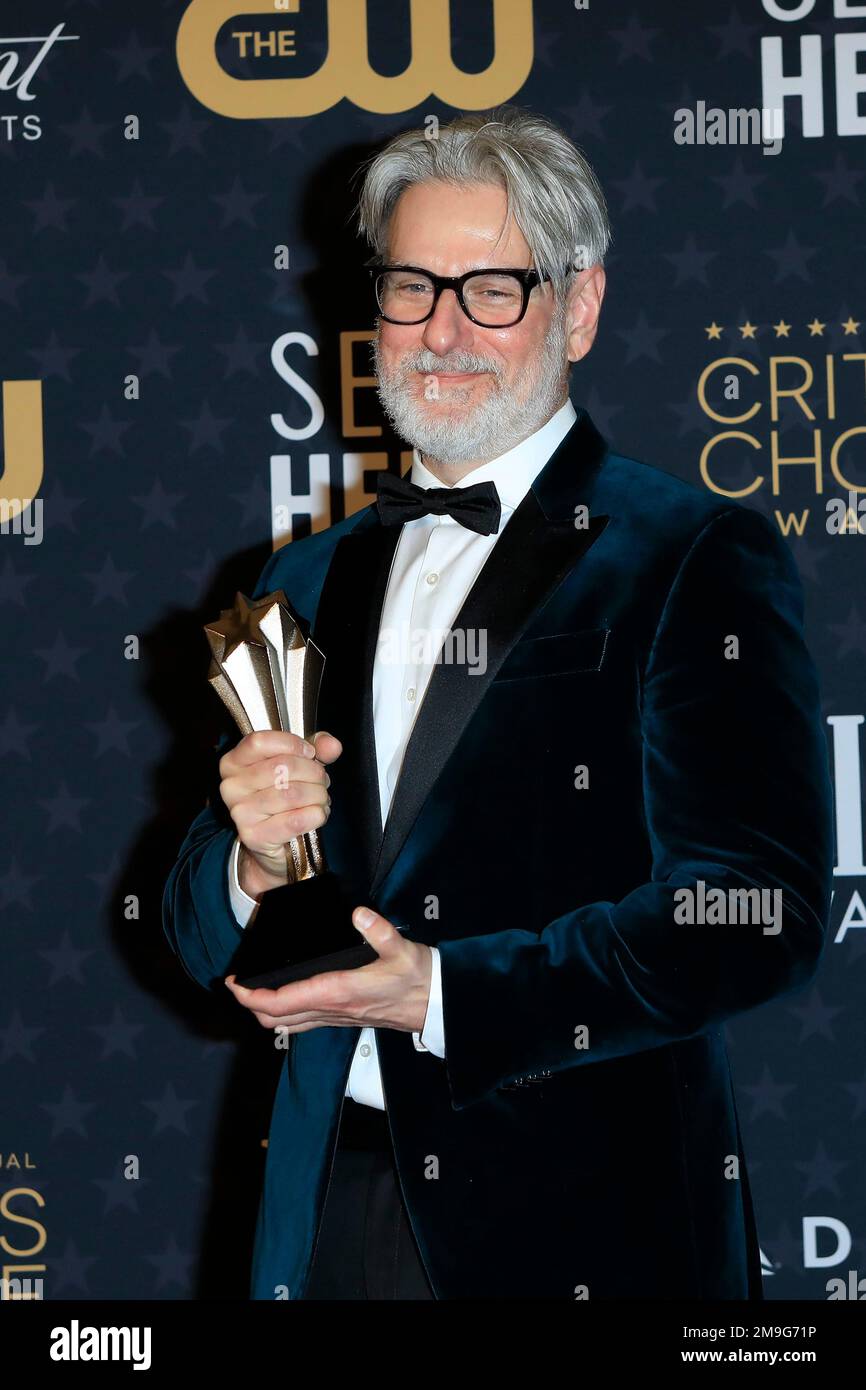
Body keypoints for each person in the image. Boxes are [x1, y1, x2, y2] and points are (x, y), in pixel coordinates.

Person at [162, 106, 833, 1300]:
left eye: (492, 289)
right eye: (412, 287)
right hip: (323, 1212)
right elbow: (200, 922)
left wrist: (444, 993)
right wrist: (251, 874)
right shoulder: (298, 578)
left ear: (575, 306)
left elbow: (755, 910)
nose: (442, 330)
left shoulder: (690, 552)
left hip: (582, 1223)